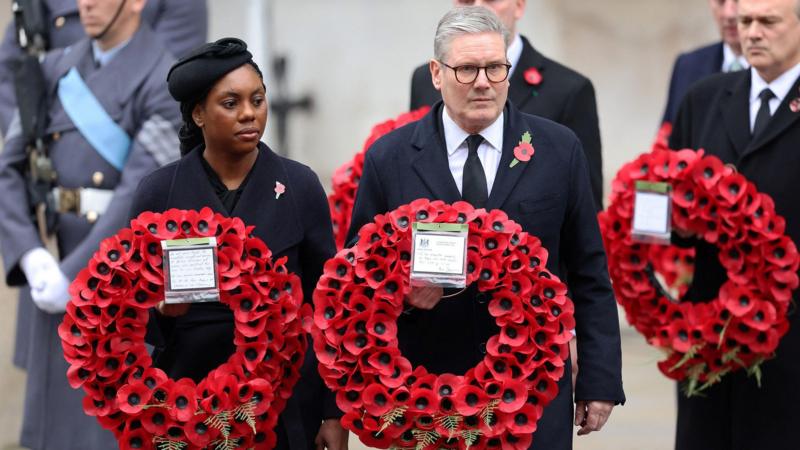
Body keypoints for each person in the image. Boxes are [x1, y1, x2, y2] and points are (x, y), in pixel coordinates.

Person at [349, 7, 625, 449]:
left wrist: (599, 377)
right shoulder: (392, 158)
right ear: (437, 74)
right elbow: (358, 283)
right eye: (467, 69)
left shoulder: (557, 149)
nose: (483, 82)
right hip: (429, 390)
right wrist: (404, 296)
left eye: (495, 67)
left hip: (533, 388)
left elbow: (590, 271)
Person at [129, 37, 349, 450]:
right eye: (230, 103)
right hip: (187, 402)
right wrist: (164, 311)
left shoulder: (299, 185)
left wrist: (333, 413)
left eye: (257, 100)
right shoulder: (159, 193)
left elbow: (328, 309)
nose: (249, 113)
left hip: (284, 404)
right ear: (198, 114)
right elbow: (130, 313)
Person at [0, 0, 183, 448]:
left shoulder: (167, 81)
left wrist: (74, 274)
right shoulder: (52, 68)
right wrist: (30, 254)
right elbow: (8, 166)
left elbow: (138, 193)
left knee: (110, 427)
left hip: (116, 283)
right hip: (52, 262)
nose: (86, 4)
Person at [669, 0, 800, 448]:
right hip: (709, 324)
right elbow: (661, 184)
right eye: (746, 21)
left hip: (791, 327)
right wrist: (670, 222)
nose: (753, 32)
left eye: (768, 21)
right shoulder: (704, 97)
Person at [409, 0, 604, 211]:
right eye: (466, 0)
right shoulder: (425, 79)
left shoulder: (569, 89)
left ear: (519, 5)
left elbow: (586, 208)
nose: (478, 6)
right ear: (437, 74)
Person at [0, 0, 208, 136]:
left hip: (128, 141)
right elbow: (12, 72)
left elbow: (168, 81)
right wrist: (28, 136)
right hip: (50, 143)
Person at [661, 0, 749, 126]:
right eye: (720, 2)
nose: (729, 14)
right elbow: (667, 137)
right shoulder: (688, 66)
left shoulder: (779, 69)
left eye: (738, 1)